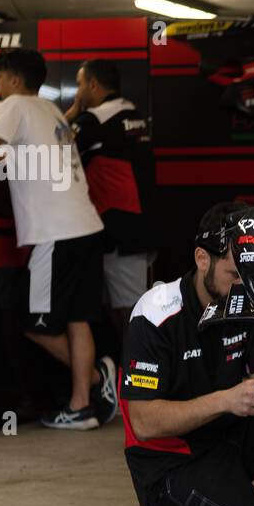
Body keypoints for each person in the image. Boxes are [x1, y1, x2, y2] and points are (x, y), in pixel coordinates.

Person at [121, 203, 254, 506]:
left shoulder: (246, 300)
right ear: (202, 259)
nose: (243, 283)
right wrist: (226, 400)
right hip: (171, 465)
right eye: (233, 273)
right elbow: (144, 422)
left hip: (225, 445)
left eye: (249, 273)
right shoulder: (155, 314)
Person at [0, 48, 117, 431]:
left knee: (29, 320)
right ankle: (82, 406)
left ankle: (97, 376)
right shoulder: (50, 110)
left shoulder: (15, 104)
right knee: (77, 318)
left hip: (57, 233)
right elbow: (32, 160)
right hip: (86, 226)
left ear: (14, 80)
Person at [64, 58, 161, 331]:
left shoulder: (95, 119)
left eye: (80, 84)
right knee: (123, 310)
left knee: (129, 313)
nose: (78, 91)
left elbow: (55, 148)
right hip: (139, 227)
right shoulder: (132, 112)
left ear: (93, 85)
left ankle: (143, 370)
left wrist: (71, 114)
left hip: (119, 231)